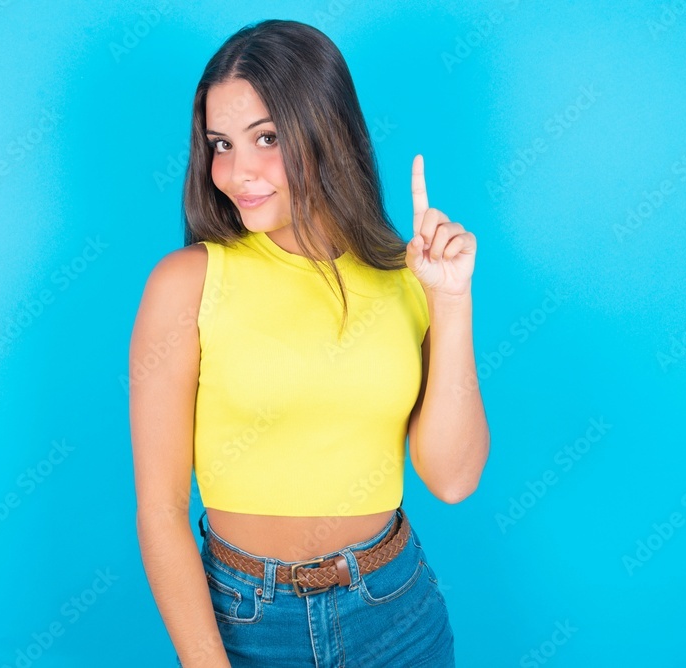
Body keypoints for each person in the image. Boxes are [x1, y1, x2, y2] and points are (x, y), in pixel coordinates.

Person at [130, 19, 489, 668]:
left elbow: (453, 478)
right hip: (247, 622)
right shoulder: (186, 285)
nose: (236, 172)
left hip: (396, 611)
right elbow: (160, 512)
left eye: (265, 138)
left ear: (325, 129)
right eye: (220, 145)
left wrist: (451, 300)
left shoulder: (408, 276)